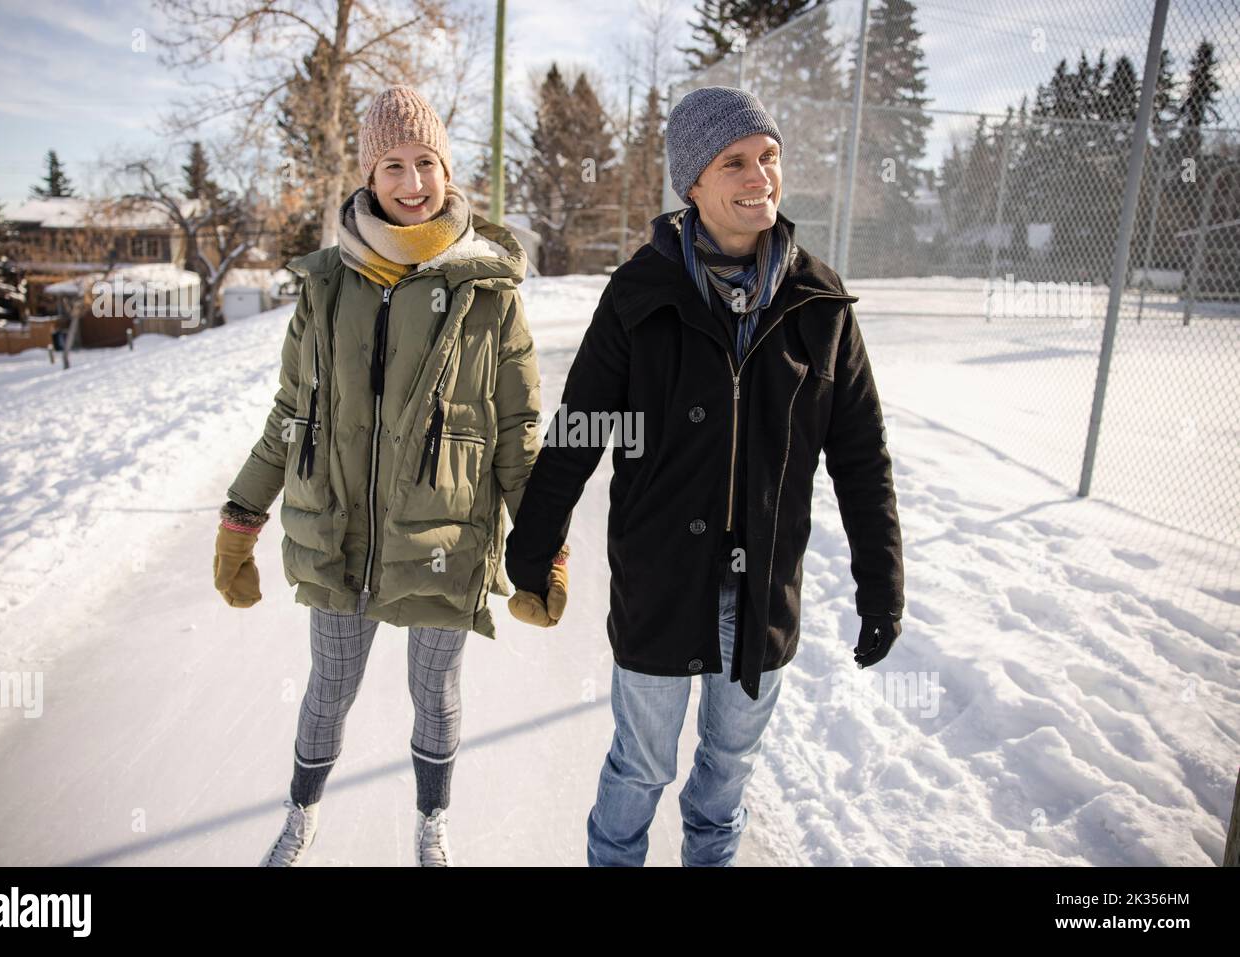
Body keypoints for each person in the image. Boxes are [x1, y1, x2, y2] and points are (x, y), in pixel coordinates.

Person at [504, 86, 905, 866]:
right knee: (642, 765)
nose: (760, 175)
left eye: (769, 157)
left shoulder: (817, 303)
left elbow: (861, 458)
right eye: (735, 162)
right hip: (660, 585)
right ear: (692, 183)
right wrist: (535, 545)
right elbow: (582, 428)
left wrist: (881, 583)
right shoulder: (640, 294)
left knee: (727, 774)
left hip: (762, 594)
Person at [212, 85, 542, 867]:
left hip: (445, 538)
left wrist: (544, 545)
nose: (412, 180)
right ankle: (301, 811)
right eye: (392, 163)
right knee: (329, 688)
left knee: (435, 693)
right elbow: (288, 416)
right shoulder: (324, 286)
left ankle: (431, 821)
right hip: (338, 533)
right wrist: (239, 518)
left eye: (425, 160)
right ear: (369, 175)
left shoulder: (488, 292)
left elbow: (519, 437)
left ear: (446, 168)